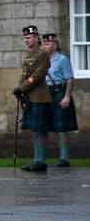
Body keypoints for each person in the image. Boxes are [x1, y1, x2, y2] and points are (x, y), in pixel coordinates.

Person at [15, 24, 53, 172]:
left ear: (37, 38)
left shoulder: (42, 53)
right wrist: (19, 87)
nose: (26, 40)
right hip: (31, 96)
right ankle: (36, 159)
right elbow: (25, 74)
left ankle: (41, 160)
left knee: (40, 129)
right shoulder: (30, 53)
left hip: (40, 97)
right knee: (34, 130)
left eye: (29, 37)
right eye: (24, 37)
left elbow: (37, 75)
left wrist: (22, 87)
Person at [42, 33, 76, 167]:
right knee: (46, 127)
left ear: (55, 46)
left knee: (61, 128)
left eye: (48, 44)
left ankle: (64, 158)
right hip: (46, 95)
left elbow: (69, 78)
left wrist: (67, 96)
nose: (45, 46)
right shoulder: (42, 60)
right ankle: (43, 159)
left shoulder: (62, 60)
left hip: (60, 93)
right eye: (44, 44)